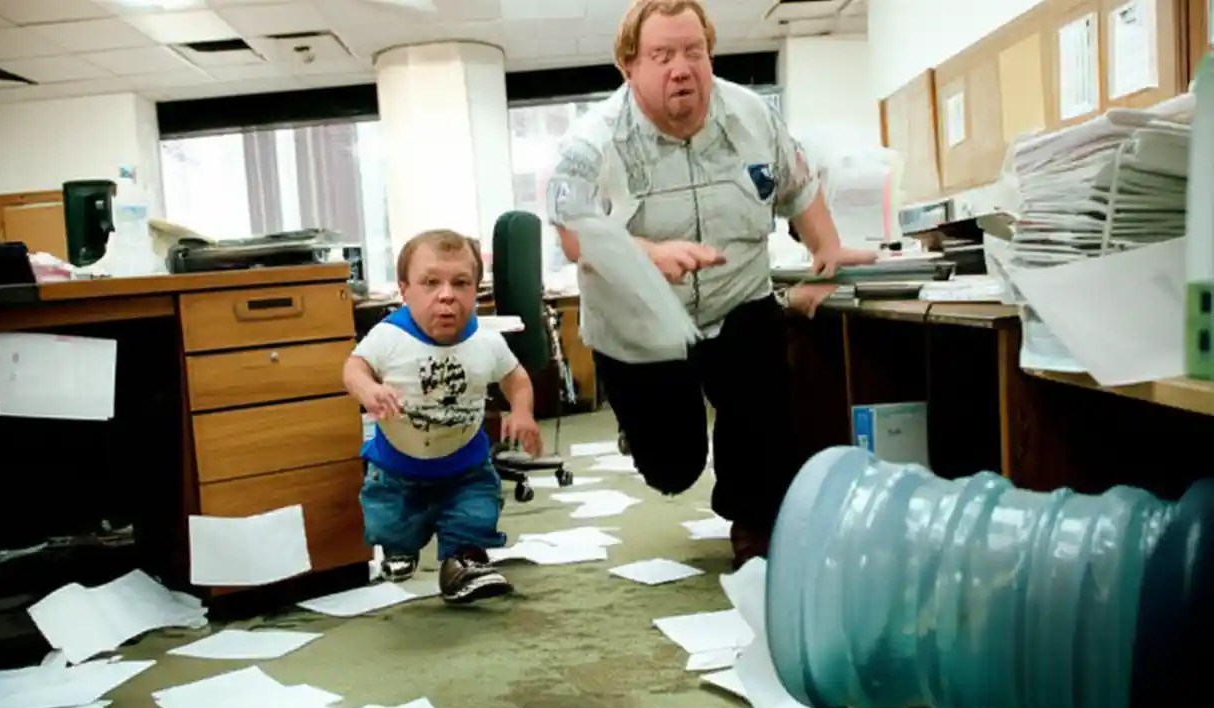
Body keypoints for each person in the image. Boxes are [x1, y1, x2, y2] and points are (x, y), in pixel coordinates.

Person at [545, 0, 875, 568]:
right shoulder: (592, 139)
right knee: (673, 466)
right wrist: (647, 255)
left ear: (709, 54)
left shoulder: (752, 115)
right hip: (640, 319)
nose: (682, 68)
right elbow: (574, 234)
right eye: (662, 55)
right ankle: (647, 432)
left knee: (763, 412)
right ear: (630, 65)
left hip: (737, 299)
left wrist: (826, 249)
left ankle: (753, 521)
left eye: (693, 51)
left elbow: (798, 187)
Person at [343, 229, 543, 604]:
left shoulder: (486, 341)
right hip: (396, 470)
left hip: (465, 467)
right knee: (390, 525)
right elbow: (353, 369)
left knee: (475, 518)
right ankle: (399, 547)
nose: (447, 295)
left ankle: (464, 565)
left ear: (476, 289)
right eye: (430, 282)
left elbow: (516, 379)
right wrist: (369, 390)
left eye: (461, 283)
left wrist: (521, 411)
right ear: (404, 289)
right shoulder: (388, 337)